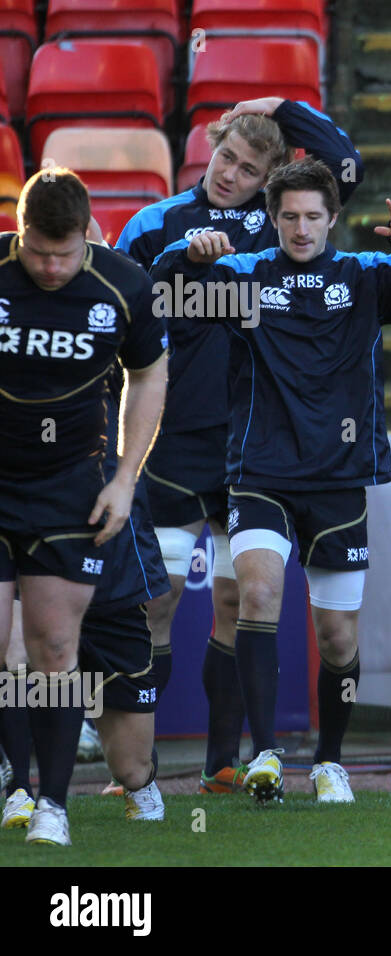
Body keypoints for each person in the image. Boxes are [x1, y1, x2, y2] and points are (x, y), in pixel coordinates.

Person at [150, 158, 391, 804]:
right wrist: (189, 251)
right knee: (257, 595)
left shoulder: (365, 277)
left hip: (341, 477)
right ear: (273, 218)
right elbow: (162, 293)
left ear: (333, 219)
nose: (300, 227)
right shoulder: (243, 276)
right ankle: (264, 756)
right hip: (260, 471)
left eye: (313, 215)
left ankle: (331, 761)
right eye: (288, 215)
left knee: (338, 637)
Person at [116, 95, 365, 794]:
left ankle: (223, 763)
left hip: (254, 445)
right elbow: (115, 311)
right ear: (212, 147)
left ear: (271, 176)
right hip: (170, 439)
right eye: (226, 157)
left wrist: (285, 107)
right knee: (156, 600)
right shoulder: (156, 222)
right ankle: (137, 765)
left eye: (250, 167)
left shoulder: (278, 228)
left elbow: (346, 167)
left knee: (235, 601)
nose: (230, 174)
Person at [0, 169, 169, 844]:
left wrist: (125, 477)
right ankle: (14, 784)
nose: (50, 266)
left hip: (69, 485)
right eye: (38, 251)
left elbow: (150, 374)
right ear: (20, 230)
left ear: (88, 235)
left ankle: (53, 806)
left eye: (64, 254)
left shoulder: (124, 284)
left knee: (55, 647)